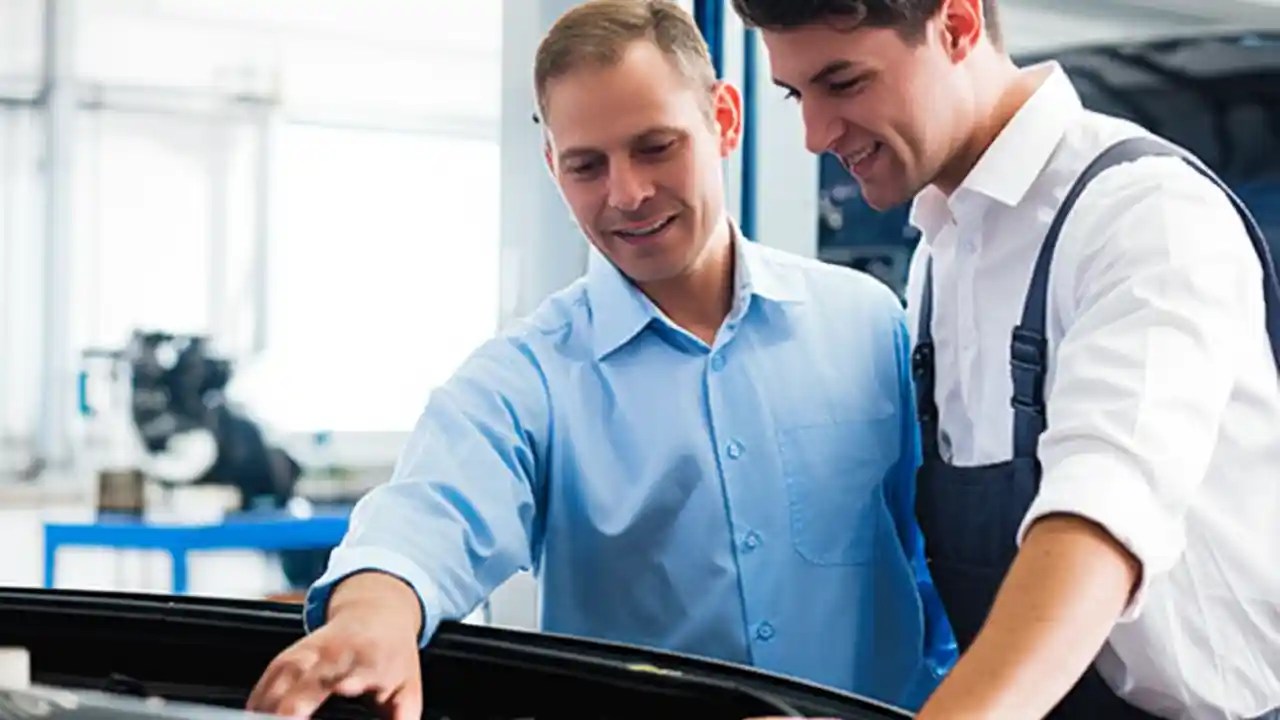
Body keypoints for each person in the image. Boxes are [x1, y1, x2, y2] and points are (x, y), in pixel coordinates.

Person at [245, 2, 956, 718]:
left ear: (724, 120)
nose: (628, 194)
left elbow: (939, 566)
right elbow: (427, 518)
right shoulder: (526, 380)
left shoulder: (869, 325)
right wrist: (373, 620)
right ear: (553, 167)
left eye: (656, 147)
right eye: (587, 165)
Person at [731, 0, 1280, 718]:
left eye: (844, 83)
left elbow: (1100, 519)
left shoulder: (1145, 215)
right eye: (795, 95)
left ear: (957, 25)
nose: (814, 135)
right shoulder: (939, 256)